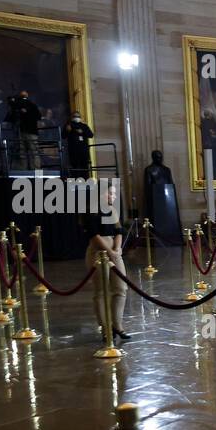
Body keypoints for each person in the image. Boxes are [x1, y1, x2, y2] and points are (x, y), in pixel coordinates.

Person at [83, 196, 130, 341]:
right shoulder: (90, 211)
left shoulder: (112, 210)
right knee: (101, 291)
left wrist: (117, 249)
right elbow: (94, 236)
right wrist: (109, 252)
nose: (113, 196)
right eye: (110, 193)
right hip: (98, 252)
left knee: (121, 288)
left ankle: (117, 325)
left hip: (114, 252)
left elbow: (119, 231)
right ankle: (105, 328)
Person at [7, 90, 42, 171]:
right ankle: (26, 171)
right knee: (25, 152)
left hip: (29, 131)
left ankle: (35, 171)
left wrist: (26, 112)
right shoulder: (25, 105)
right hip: (24, 131)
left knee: (30, 152)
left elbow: (38, 116)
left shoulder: (31, 105)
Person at [63, 111, 95, 177]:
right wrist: (67, 130)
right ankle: (75, 184)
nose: (77, 118)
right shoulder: (68, 125)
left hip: (84, 150)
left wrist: (83, 132)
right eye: (75, 116)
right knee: (75, 167)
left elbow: (91, 135)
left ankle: (86, 183)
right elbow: (63, 136)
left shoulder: (84, 125)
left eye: (78, 116)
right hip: (73, 150)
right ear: (72, 117)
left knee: (85, 167)